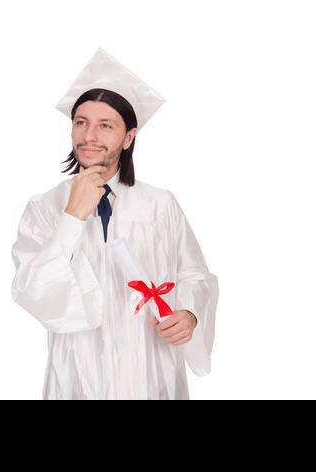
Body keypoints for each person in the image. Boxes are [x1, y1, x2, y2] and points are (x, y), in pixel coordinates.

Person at [11, 49, 218, 399]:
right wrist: (72, 216)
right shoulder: (45, 208)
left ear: (128, 137)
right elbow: (33, 291)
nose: (90, 135)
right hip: (78, 374)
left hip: (150, 370)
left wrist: (191, 314)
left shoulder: (159, 204)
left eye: (105, 125)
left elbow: (195, 274)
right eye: (81, 122)